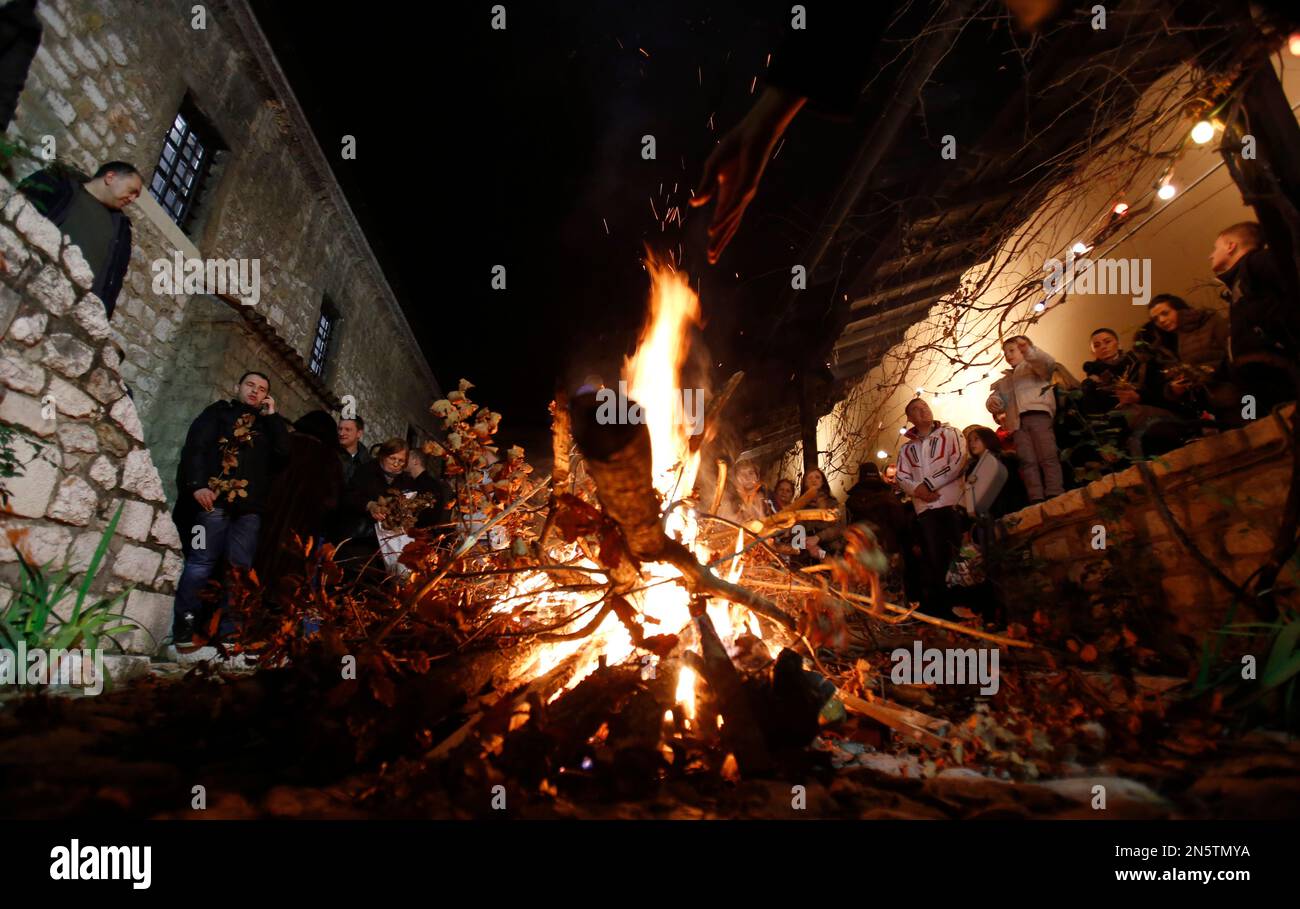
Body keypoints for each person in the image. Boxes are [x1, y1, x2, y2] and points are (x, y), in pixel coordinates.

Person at [171, 371, 290, 651]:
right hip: (213, 503)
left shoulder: (267, 426)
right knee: (200, 562)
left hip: (248, 510)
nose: (255, 392)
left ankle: (231, 631)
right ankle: (185, 625)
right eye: (250, 385)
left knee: (239, 570)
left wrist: (273, 417)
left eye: (262, 389)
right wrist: (197, 485)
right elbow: (195, 448)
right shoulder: (218, 414)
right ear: (238, 387)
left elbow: (284, 455)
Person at [17, 161, 141, 317]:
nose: (132, 198)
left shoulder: (122, 233)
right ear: (110, 178)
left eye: (136, 196)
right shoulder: (58, 184)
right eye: (132, 191)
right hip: (24, 281)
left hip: (67, 316)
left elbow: (112, 286)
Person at [253, 410, 344, 600]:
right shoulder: (331, 460)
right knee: (287, 581)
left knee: (256, 572)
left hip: (269, 520)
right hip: (302, 531)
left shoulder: (287, 442)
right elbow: (332, 502)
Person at [1209, 221, 1298, 414]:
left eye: (1215, 248)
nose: (1210, 255)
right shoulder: (1238, 286)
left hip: (1278, 373)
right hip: (1258, 380)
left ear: (1231, 246)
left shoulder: (1257, 263)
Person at [894, 398, 964, 618]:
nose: (923, 410)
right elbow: (901, 476)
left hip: (952, 504)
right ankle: (946, 611)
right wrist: (919, 491)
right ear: (911, 419)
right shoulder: (907, 449)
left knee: (962, 555)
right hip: (925, 511)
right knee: (936, 560)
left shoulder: (951, 434)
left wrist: (931, 484)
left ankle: (969, 605)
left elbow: (959, 460)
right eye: (916, 409)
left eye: (924, 406)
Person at [1078, 326, 1191, 459]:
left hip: (1154, 418)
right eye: (1097, 345)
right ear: (1093, 352)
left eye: (1107, 341)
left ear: (1118, 344)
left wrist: (1139, 396)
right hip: (1120, 434)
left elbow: (1162, 392)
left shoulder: (1140, 364)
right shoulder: (1091, 383)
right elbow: (1093, 415)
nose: (1103, 347)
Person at [986, 336, 1065, 503]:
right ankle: (1035, 496)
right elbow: (996, 399)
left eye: (1012, 350)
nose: (1008, 355)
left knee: (1047, 455)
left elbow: (1047, 364)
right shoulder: (1004, 381)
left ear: (1023, 349)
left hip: (1038, 415)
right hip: (1016, 423)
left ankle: (1055, 490)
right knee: (1027, 460)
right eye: (1005, 352)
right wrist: (993, 403)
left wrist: (1029, 351)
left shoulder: (1034, 368)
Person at [333, 438, 410, 578]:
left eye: (401, 461)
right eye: (392, 458)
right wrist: (369, 505)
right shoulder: (366, 471)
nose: (396, 464)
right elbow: (349, 496)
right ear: (383, 456)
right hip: (357, 538)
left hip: (383, 546)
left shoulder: (405, 480)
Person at [845, 461, 908, 557]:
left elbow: (849, 527)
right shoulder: (889, 497)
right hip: (887, 548)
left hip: (862, 549)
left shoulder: (852, 500)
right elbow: (900, 524)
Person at [799, 467, 843, 562]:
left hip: (831, 551)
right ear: (805, 483)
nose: (814, 480)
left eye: (817, 477)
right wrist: (807, 544)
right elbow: (797, 529)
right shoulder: (801, 506)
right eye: (810, 478)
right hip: (809, 553)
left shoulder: (833, 503)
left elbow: (838, 527)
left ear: (822, 482)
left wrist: (818, 537)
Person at [403, 447, 452, 531]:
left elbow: (429, 514)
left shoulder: (429, 485)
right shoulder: (412, 481)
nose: (403, 460)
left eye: (407, 458)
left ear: (415, 461)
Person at [337, 416, 370, 485]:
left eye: (347, 429)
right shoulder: (329, 453)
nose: (341, 433)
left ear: (359, 433)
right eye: (340, 429)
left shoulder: (367, 463)